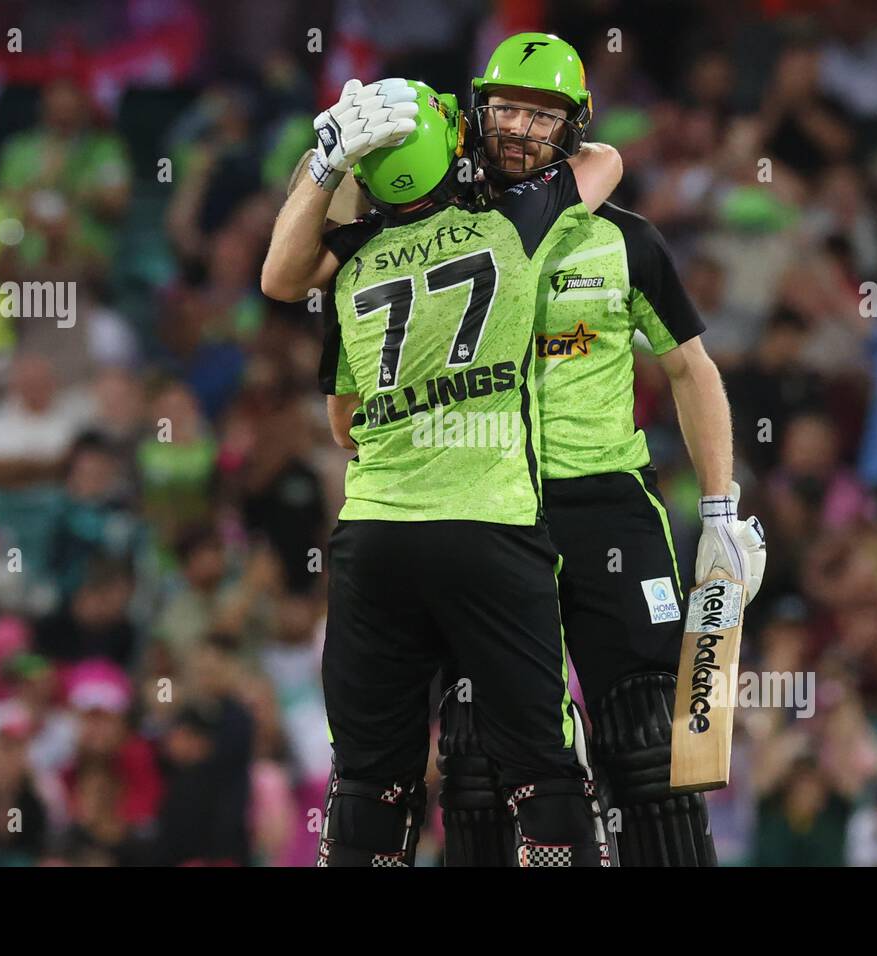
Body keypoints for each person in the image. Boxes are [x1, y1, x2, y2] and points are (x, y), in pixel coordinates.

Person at [262, 76, 623, 866]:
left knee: (368, 782)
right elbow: (603, 160)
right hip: (489, 527)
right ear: (451, 148)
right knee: (543, 773)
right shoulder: (514, 224)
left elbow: (293, 315)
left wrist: (324, 169)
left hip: (376, 537)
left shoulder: (352, 260)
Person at [438, 32, 766, 867]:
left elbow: (692, 370)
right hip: (488, 509)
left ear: (573, 131)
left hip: (607, 506)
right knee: (477, 760)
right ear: (477, 116)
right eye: (507, 107)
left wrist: (721, 511)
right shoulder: (445, 241)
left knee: (653, 742)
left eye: (542, 115)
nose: (519, 128)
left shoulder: (627, 240)